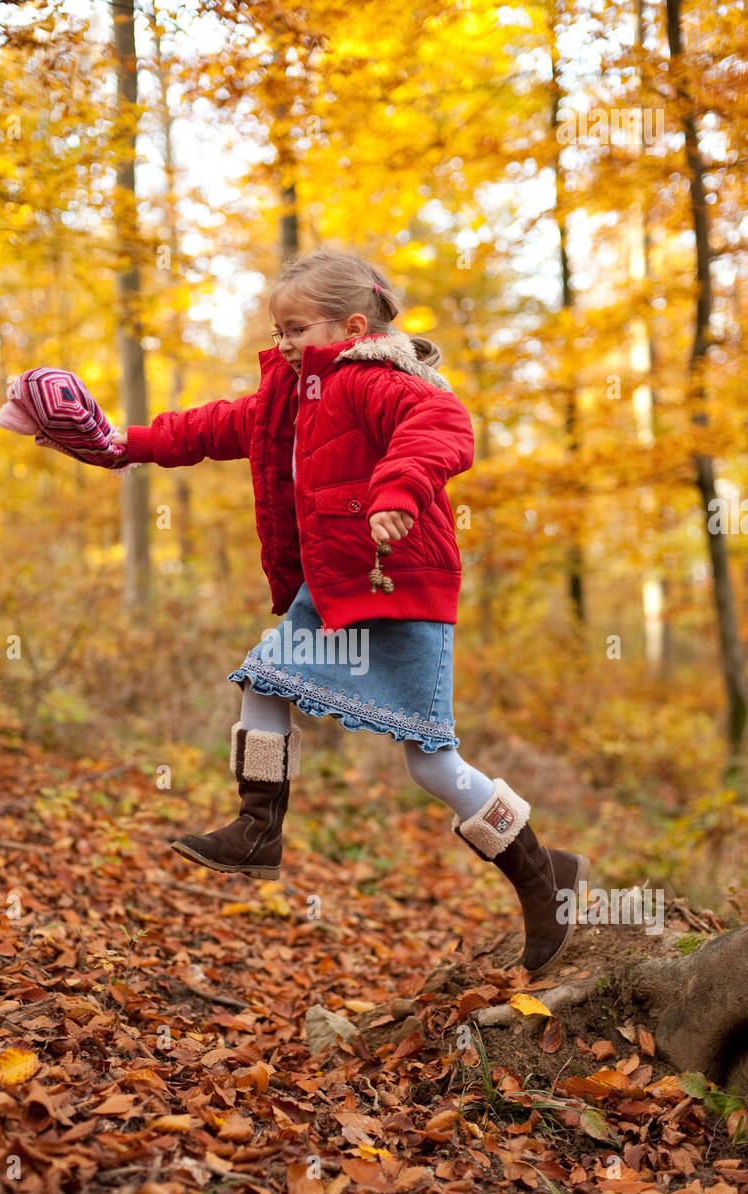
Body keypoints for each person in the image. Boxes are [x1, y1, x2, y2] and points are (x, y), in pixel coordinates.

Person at [71, 248, 590, 976]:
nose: (281, 343)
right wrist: (118, 444)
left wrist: (396, 494)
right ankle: (258, 829)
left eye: (295, 329)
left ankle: (546, 878)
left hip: (398, 583)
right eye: (276, 329)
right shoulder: (286, 398)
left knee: (431, 763)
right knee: (262, 678)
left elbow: (441, 426)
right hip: (337, 588)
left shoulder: (379, 381)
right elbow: (208, 426)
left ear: (349, 325)